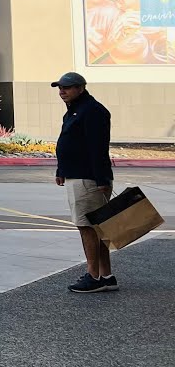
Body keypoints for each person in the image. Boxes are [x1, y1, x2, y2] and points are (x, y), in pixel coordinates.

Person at [53, 72, 117, 293]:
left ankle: (94, 276)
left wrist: (101, 179)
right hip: (75, 174)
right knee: (97, 226)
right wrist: (61, 169)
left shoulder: (93, 111)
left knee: (88, 227)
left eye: (67, 88)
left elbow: (97, 148)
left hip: (87, 178)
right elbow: (70, 143)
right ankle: (106, 275)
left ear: (81, 88)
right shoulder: (74, 111)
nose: (62, 92)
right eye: (60, 88)